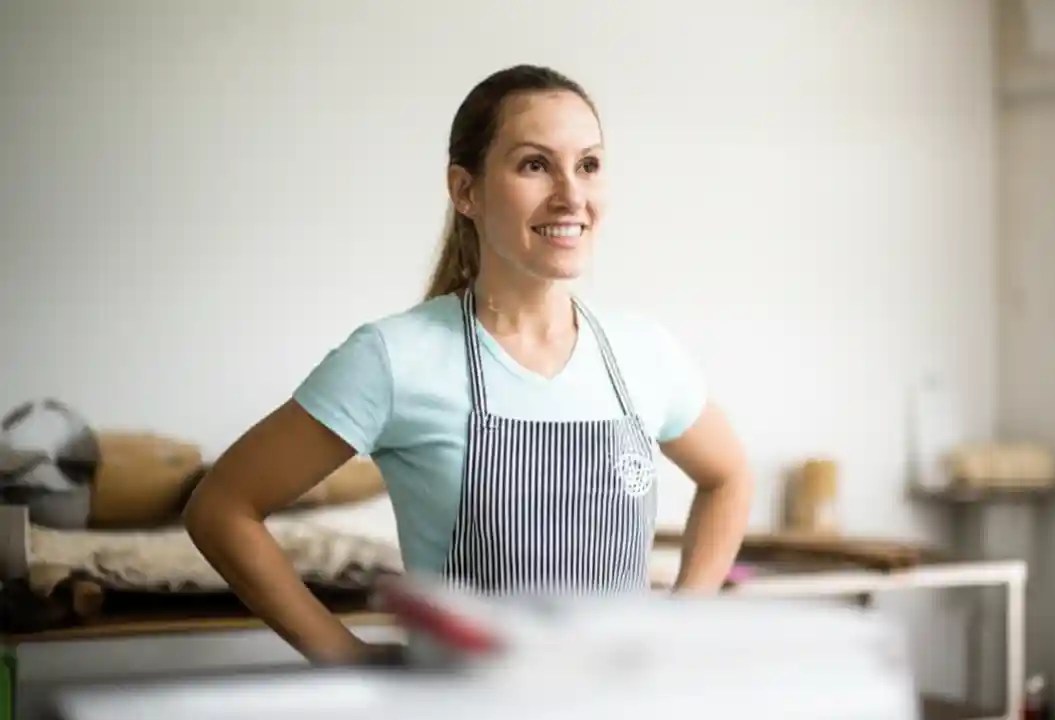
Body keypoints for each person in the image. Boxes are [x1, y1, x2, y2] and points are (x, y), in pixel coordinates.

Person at [184, 64, 753, 665]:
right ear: (465, 191)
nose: (572, 194)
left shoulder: (645, 353)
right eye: (535, 164)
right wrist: (345, 656)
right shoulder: (394, 359)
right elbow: (222, 509)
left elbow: (729, 477)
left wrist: (682, 619)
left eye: (588, 164)